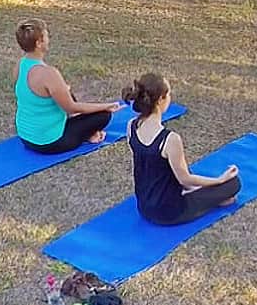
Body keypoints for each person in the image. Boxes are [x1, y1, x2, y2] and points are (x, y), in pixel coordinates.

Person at [124, 73, 241, 226]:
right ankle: (213, 199)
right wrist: (220, 180)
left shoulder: (131, 126)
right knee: (233, 184)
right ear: (160, 100)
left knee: (189, 182)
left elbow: (149, 166)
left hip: (144, 206)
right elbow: (185, 180)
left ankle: (205, 197)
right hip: (170, 212)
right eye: (169, 93)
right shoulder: (170, 139)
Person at [15, 18, 122, 154]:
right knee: (103, 116)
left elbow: (30, 94)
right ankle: (88, 135)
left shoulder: (20, 64)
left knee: (67, 92)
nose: (49, 39)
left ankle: (86, 133)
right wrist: (106, 106)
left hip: (25, 136)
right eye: (46, 36)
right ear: (39, 43)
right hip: (49, 142)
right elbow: (72, 108)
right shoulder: (49, 74)